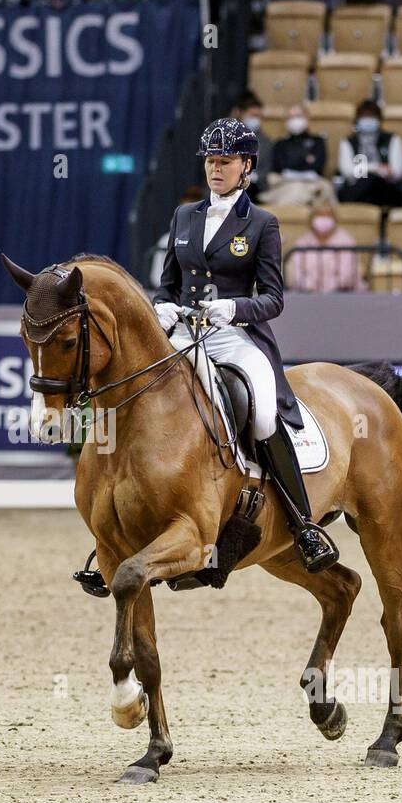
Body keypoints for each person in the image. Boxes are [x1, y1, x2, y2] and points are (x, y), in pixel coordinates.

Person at [150, 117, 338, 573]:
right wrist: (163, 308)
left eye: (225, 161)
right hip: (184, 335)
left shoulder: (262, 223)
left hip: (234, 337)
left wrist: (234, 309)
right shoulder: (184, 216)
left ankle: (302, 523)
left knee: (263, 411)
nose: (215, 169)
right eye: (211, 161)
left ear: (246, 166)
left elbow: (273, 298)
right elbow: (168, 286)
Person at [261, 103, 336, 207]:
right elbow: (280, 166)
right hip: (286, 182)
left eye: (298, 116)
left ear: (307, 118)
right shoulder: (280, 144)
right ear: (286, 121)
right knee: (296, 189)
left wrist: (293, 159)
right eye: (291, 117)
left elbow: (318, 165)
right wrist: (305, 158)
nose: (295, 120)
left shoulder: (318, 141)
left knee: (326, 188)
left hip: (313, 181)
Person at [336, 100, 402, 207]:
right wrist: (376, 168)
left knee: (375, 181)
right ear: (357, 119)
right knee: (367, 180)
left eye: (372, 116)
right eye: (364, 116)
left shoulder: (392, 139)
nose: (368, 120)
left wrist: (365, 170)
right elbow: (347, 171)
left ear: (379, 119)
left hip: (386, 188)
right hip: (357, 189)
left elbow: (398, 171)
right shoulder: (349, 141)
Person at [286, 204, 366, 293]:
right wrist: (311, 288)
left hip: (342, 295)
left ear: (334, 219)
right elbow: (296, 272)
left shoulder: (345, 241)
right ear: (312, 219)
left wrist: (326, 291)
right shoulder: (303, 242)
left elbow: (346, 274)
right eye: (319, 215)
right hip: (308, 295)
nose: (323, 219)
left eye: (328, 215)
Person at [229, 92, 272, 201]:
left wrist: (256, 177)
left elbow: (266, 169)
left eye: (258, 116)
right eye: (252, 115)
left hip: (254, 187)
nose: (255, 119)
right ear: (241, 114)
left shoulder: (266, 142)